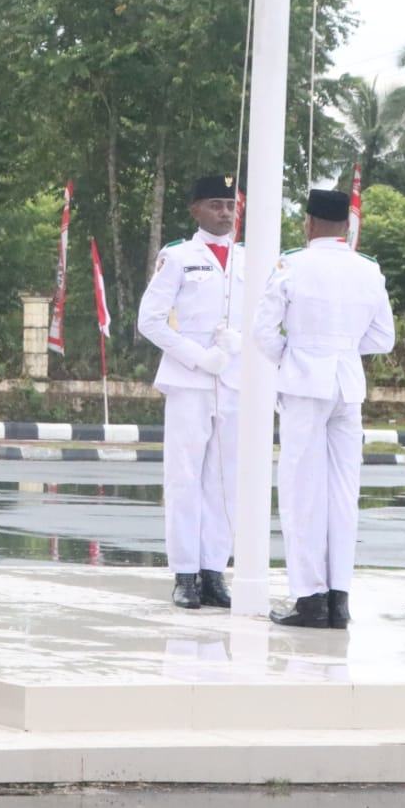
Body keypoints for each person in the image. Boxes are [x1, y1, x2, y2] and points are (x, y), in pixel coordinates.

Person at [254, 190, 396, 629]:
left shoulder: (292, 263)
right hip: (347, 385)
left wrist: (291, 356)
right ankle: (339, 598)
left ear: (309, 223)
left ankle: (309, 598)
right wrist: (345, 350)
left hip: (304, 383)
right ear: (346, 227)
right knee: (342, 494)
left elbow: (262, 331)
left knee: (301, 493)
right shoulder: (368, 268)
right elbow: (383, 339)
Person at [136, 175, 245, 609]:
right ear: (195, 210)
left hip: (235, 382)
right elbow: (151, 321)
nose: (225, 212)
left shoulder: (251, 259)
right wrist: (199, 357)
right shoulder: (178, 257)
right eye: (215, 204)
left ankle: (214, 570)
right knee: (184, 478)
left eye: (230, 205)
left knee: (225, 481)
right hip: (190, 380)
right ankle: (185, 573)